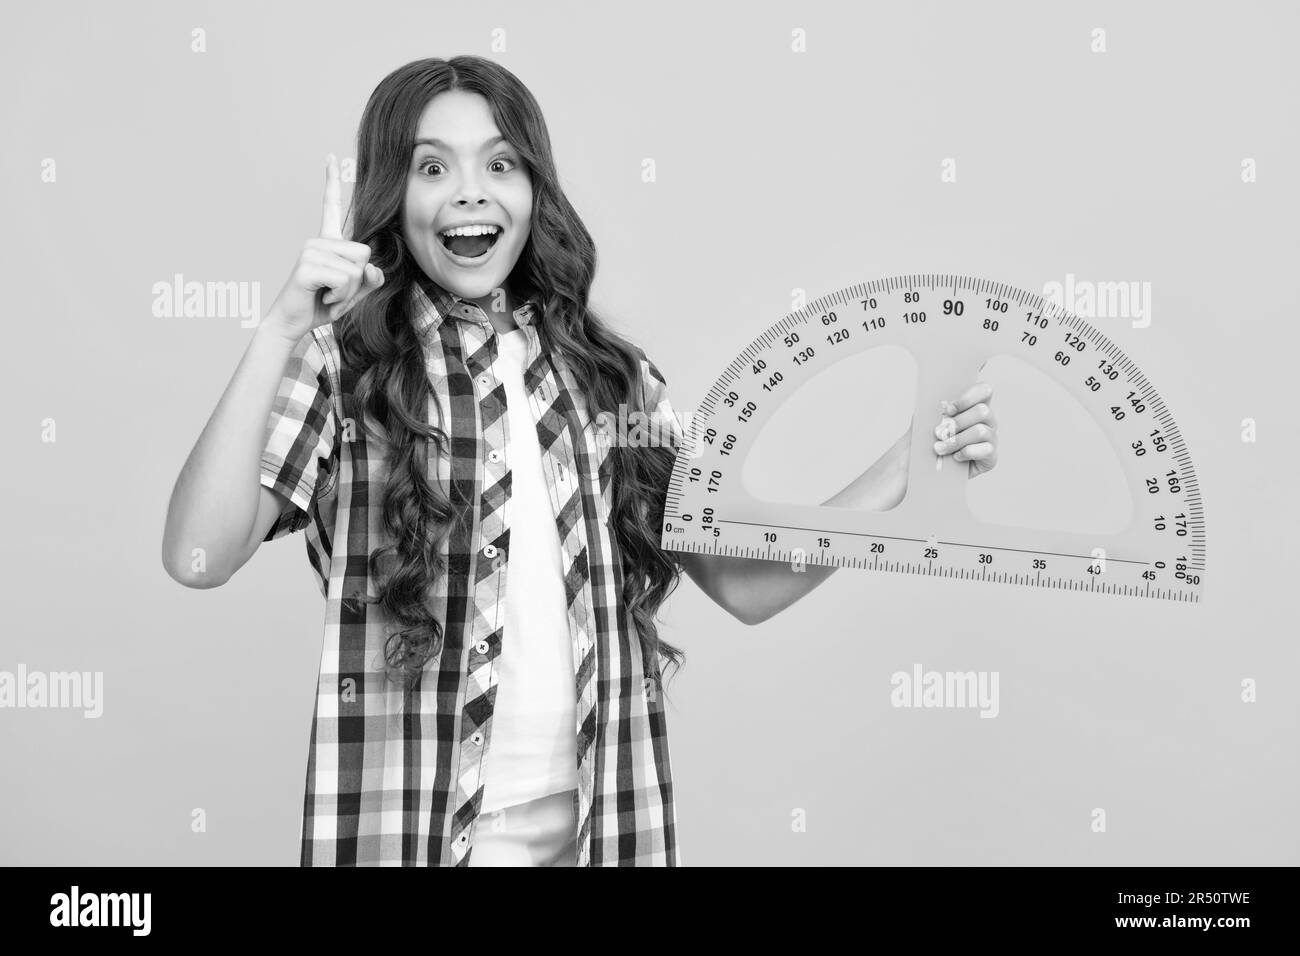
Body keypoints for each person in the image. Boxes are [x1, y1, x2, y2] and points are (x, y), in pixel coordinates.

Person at [160, 55, 998, 866]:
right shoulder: (343, 363)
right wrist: (278, 332)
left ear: (533, 192)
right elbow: (198, 555)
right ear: (393, 193)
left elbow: (745, 583)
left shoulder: (611, 378)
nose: (470, 192)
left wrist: (905, 467)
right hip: (413, 829)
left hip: (605, 824)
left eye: (500, 163)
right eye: (431, 168)